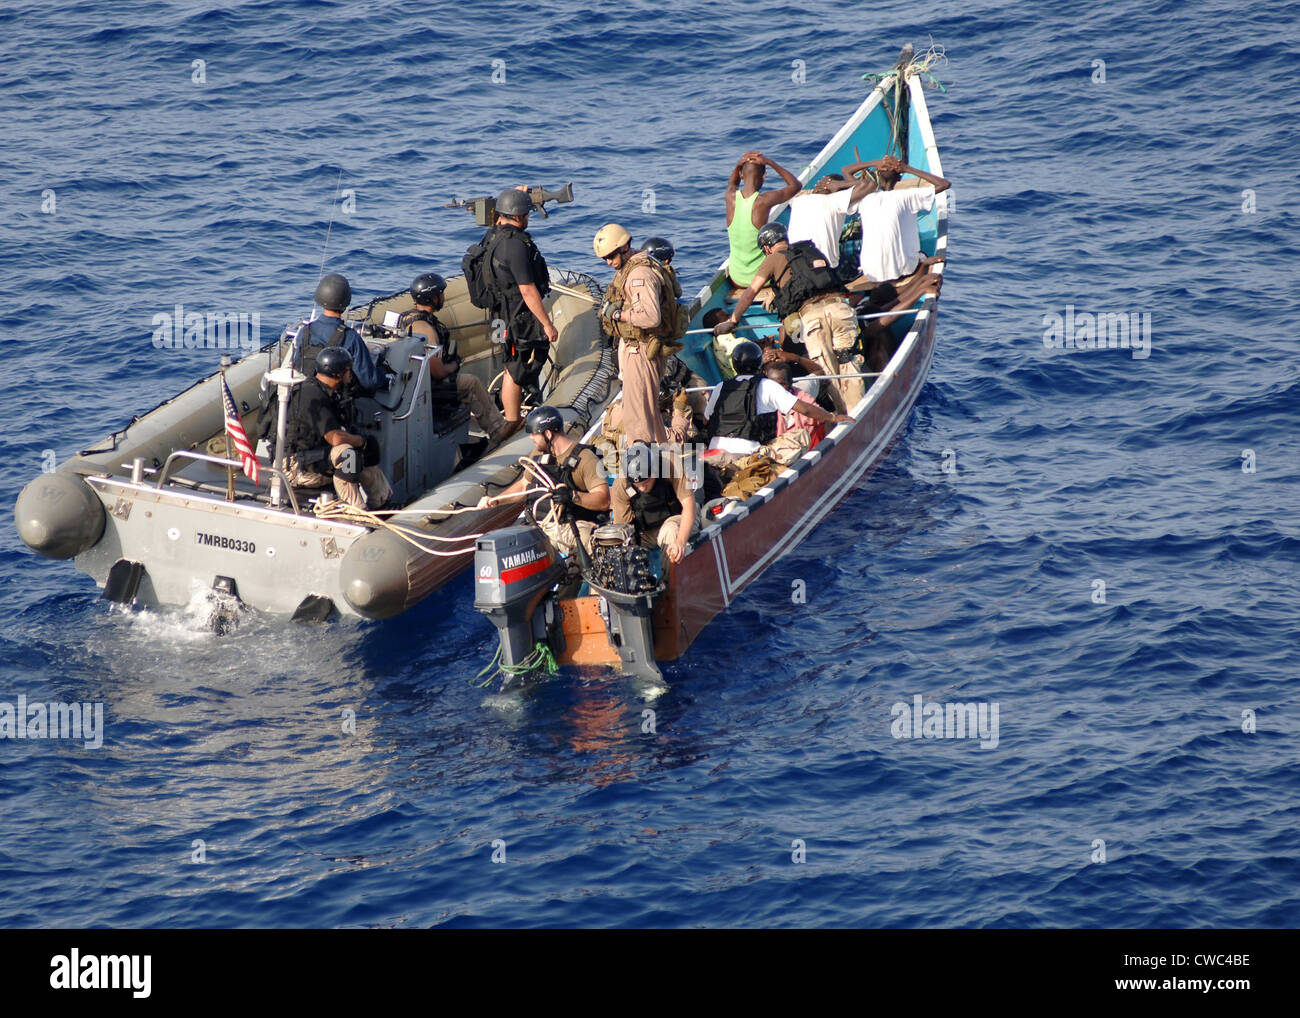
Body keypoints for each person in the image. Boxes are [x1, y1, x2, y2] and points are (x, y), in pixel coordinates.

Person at [712, 222, 864, 413]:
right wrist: (776, 293)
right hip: (840, 308)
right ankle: (859, 410)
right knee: (848, 361)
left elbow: (750, 292)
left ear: (767, 247)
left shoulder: (772, 258)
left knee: (826, 370)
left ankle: (844, 417)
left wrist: (733, 320)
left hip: (813, 317)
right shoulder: (808, 251)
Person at [397, 272, 517, 446]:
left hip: (412, 385)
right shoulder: (427, 330)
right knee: (471, 383)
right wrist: (454, 365)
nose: (443, 297)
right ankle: (498, 429)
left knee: (467, 386)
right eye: (440, 294)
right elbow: (438, 372)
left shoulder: (406, 318)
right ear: (433, 298)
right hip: (429, 389)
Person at [474, 405, 609, 557]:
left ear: (548, 434)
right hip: (539, 526)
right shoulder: (538, 454)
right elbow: (524, 485)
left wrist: (572, 496)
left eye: (534, 434)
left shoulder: (585, 458)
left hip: (571, 527)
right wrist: (495, 500)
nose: (531, 438)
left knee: (590, 546)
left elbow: (604, 500)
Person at [594, 224, 686, 446]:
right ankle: (662, 456)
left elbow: (650, 317)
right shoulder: (639, 265)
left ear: (625, 247)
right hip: (640, 348)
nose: (609, 262)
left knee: (637, 420)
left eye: (611, 256)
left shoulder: (639, 274)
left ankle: (642, 469)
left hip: (642, 351)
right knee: (647, 411)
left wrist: (617, 314)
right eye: (604, 258)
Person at [702, 341, 848, 474]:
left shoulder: (720, 387)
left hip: (715, 452)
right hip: (748, 455)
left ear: (734, 365)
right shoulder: (767, 385)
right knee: (800, 437)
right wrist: (832, 417)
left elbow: (706, 420)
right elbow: (806, 409)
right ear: (759, 364)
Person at [482, 186, 559, 429]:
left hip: (501, 314)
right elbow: (527, 289)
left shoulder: (493, 236)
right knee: (517, 370)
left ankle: (511, 418)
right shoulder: (515, 246)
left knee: (510, 365)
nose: (528, 217)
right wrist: (547, 325)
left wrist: (515, 194)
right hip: (518, 317)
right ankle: (512, 423)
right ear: (517, 217)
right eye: (525, 213)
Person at [284, 346, 392, 510]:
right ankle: (355, 508)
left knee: (369, 447)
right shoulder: (311, 395)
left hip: (314, 457)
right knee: (349, 455)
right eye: (348, 370)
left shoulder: (329, 392)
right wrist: (360, 441)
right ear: (339, 374)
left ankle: (381, 501)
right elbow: (334, 438)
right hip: (297, 468)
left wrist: (364, 443)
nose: (351, 375)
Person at [840, 154, 950, 287]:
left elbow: (846, 170)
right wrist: (908, 169)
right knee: (922, 254)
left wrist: (876, 162)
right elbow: (944, 184)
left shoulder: (865, 198)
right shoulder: (907, 196)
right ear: (899, 177)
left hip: (871, 271)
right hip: (903, 270)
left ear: (878, 175)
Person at [725, 150, 801, 308]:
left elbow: (732, 184)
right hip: (762, 279)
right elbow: (796, 186)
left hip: (737, 279)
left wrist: (740, 163)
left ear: (741, 175)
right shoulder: (763, 200)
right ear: (764, 176)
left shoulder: (730, 197)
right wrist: (770, 162)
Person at [292, 272, 387, 394]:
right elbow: (369, 381)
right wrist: (382, 373)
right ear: (345, 302)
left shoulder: (304, 332)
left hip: (303, 393)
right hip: (332, 402)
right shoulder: (351, 338)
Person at [611, 442, 698, 565]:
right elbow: (622, 528)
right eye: (638, 484)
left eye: (646, 481)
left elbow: (689, 506)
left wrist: (680, 542)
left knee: (670, 532)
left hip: (679, 521)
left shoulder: (671, 464)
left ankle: (671, 582)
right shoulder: (621, 485)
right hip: (646, 533)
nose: (642, 488)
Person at [786, 172, 875, 274]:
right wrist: (839, 184)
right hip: (825, 266)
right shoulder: (834, 200)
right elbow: (871, 184)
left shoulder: (798, 200)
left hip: (796, 263)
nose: (818, 184)